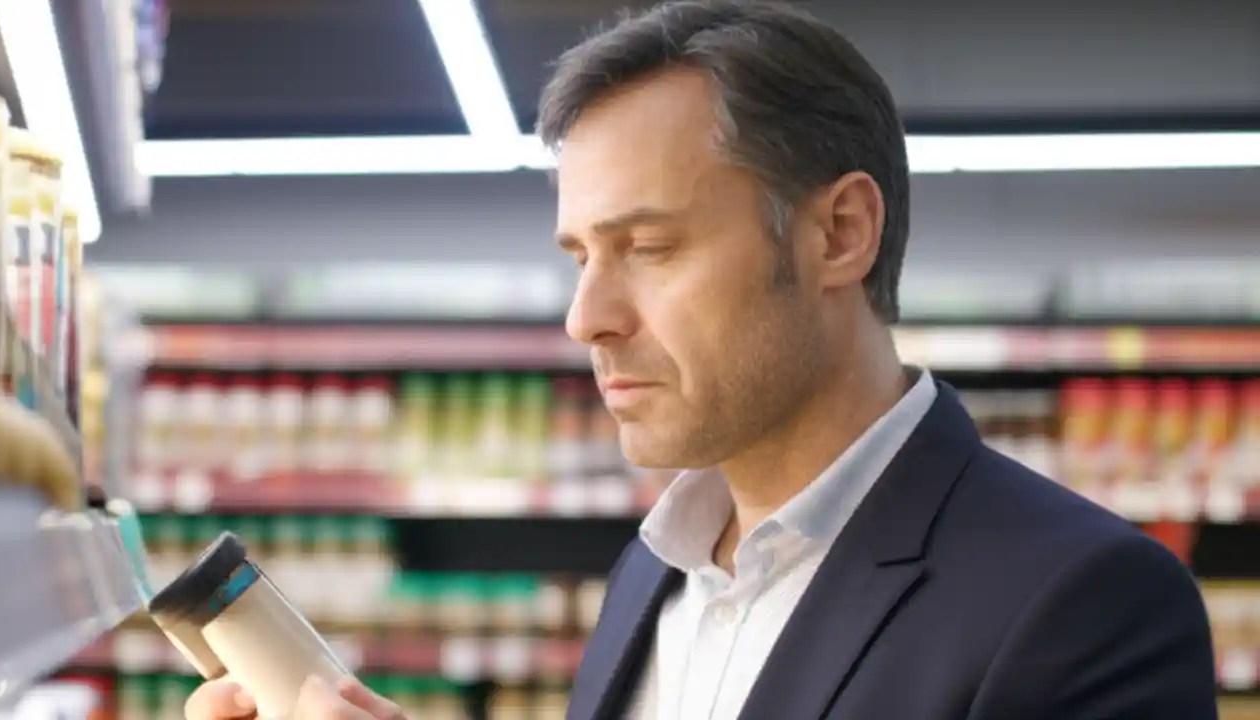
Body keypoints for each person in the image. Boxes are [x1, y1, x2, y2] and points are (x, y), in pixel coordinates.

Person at [186, 1, 1217, 719]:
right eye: (581, 257)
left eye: (648, 248)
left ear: (837, 233)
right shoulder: (653, 572)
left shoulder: (1081, 603)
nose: (585, 317)